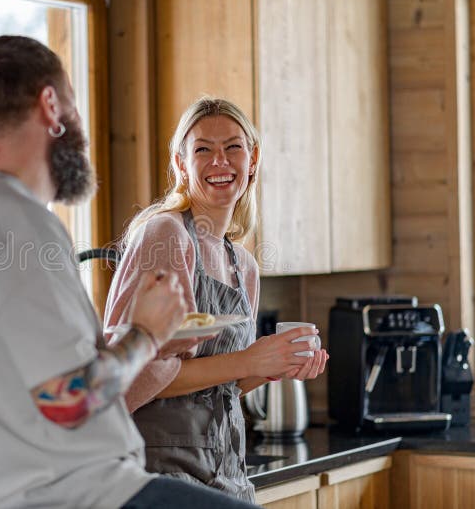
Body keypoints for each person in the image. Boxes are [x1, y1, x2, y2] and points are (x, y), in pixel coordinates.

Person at [0, 36, 260, 508]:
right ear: (50, 105)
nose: (82, 129)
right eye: (75, 108)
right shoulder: (19, 224)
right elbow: (68, 403)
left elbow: (43, 395)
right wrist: (145, 335)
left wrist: (150, 339)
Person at [104, 97, 329, 502]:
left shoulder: (243, 264)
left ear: (253, 158)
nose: (219, 162)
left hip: (226, 473)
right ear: (180, 164)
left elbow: (220, 384)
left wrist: (275, 365)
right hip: (158, 475)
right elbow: (139, 374)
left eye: (233, 147)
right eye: (202, 149)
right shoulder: (166, 235)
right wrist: (250, 359)